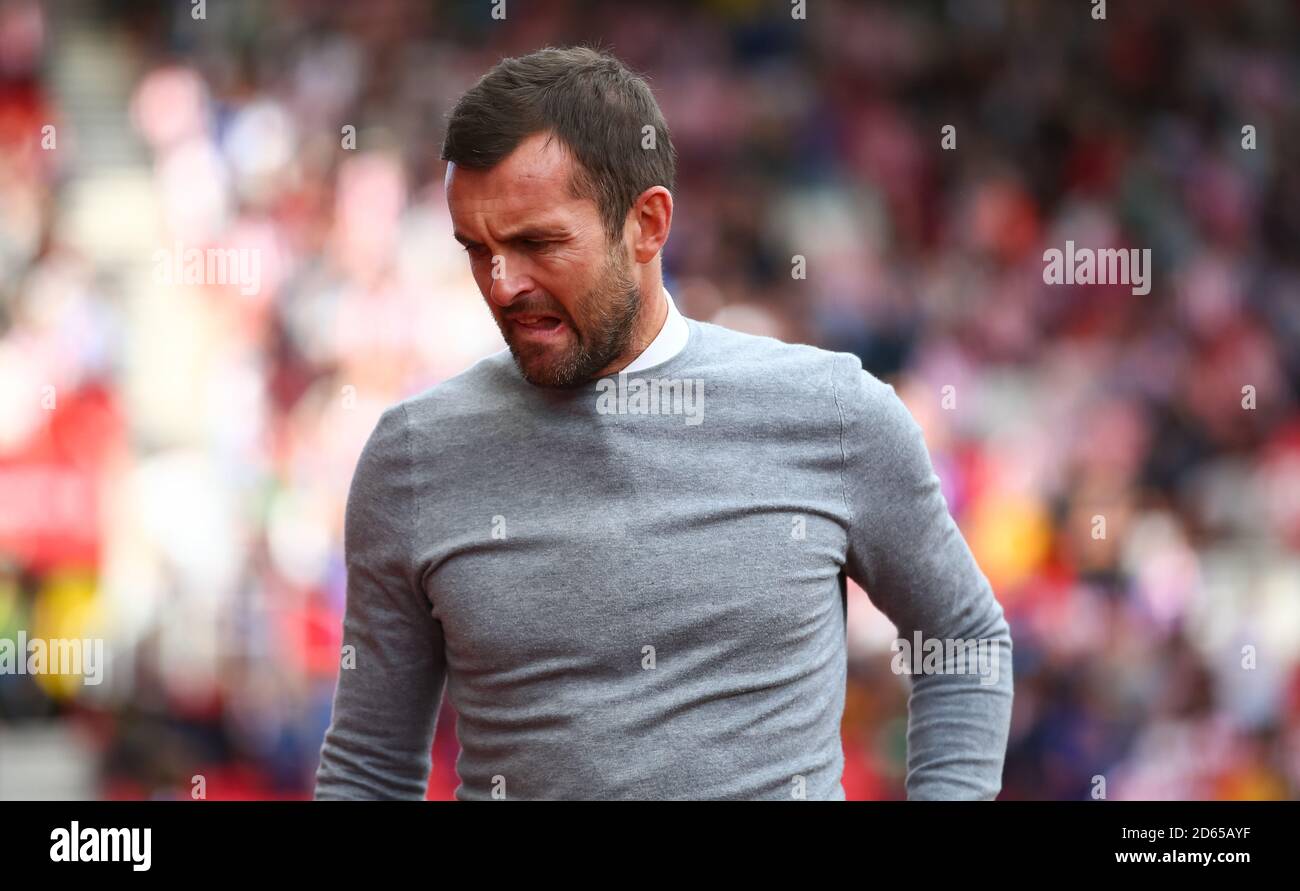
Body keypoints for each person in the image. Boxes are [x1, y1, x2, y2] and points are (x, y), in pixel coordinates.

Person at [314, 45, 1013, 800]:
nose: (502, 284)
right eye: (476, 249)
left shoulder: (833, 413)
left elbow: (963, 639)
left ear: (646, 224)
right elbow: (368, 767)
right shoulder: (416, 454)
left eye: (536, 243)